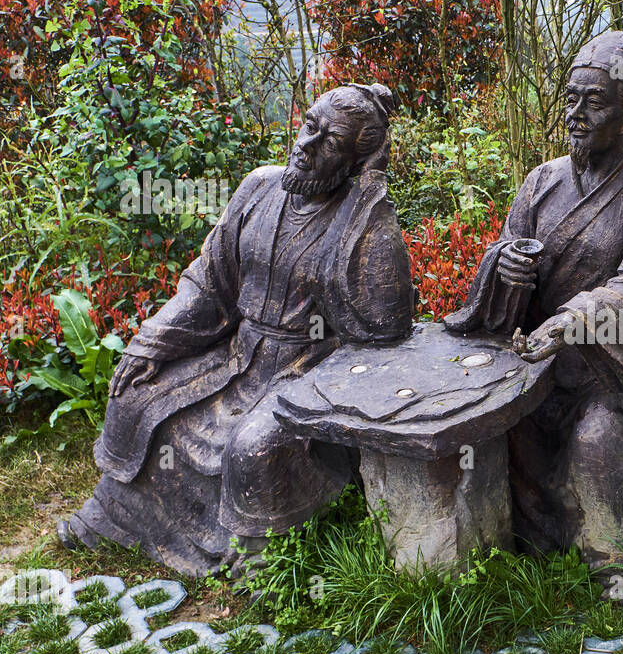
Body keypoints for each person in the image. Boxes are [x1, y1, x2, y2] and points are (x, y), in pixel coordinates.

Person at [59, 84, 415, 576]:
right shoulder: (259, 188)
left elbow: (385, 334)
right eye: (308, 125)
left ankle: (257, 558)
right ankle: (114, 518)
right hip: (235, 352)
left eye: (328, 142)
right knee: (137, 395)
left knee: (254, 446)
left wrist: (369, 209)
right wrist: (153, 343)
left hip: (307, 369)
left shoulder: (367, 225)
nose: (306, 146)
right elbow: (208, 282)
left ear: (355, 162)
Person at [446, 30, 623, 563]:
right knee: (501, 422)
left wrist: (570, 322)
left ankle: (611, 567)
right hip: (538, 355)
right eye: (571, 98)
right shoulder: (542, 181)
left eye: (594, 103)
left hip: (612, 367)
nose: (575, 113)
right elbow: (503, 247)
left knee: (595, 441)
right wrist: (506, 266)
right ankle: (529, 547)